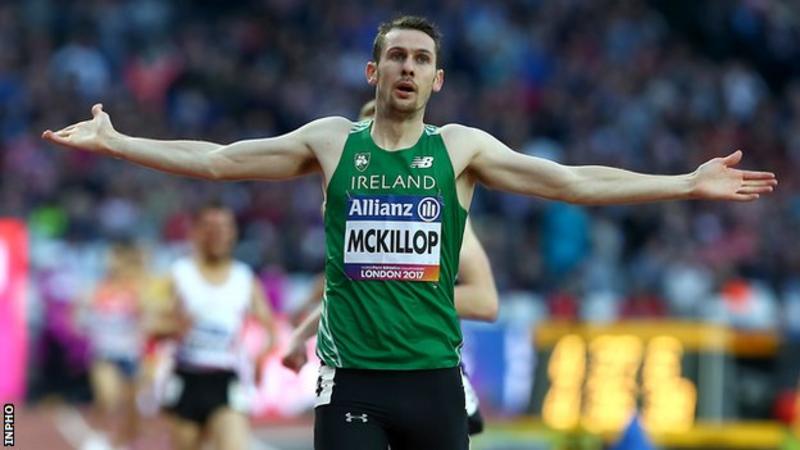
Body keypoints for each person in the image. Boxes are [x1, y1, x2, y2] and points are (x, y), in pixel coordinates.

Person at [43, 15, 777, 450]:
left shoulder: (460, 150)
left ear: (437, 81)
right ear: (373, 71)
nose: (408, 66)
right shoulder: (332, 143)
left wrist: (684, 183)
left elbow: (572, 182)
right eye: (397, 55)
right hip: (351, 381)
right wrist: (119, 142)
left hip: (433, 382)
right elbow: (218, 161)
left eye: (422, 59)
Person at [283, 98, 496, 436]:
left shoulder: (445, 210)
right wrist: (303, 332)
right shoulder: (347, 205)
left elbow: (486, 302)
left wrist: (407, 298)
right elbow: (353, 293)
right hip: (357, 369)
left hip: (426, 365)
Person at [149, 203, 277, 450]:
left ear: (233, 233)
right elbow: (149, 324)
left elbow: (270, 329)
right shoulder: (178, 275)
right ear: (196, 232)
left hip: (226, 378)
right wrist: (172, 327)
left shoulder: (244, 278)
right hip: (186, 378)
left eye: (224, 227)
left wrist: (261, 356)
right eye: (210, 227)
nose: (217, 233)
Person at [76, 240, 147, 450]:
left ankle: (124, 442)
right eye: (110, 260)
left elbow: (148, 318)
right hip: (105, 353)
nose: (113, 265)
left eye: (117, 260)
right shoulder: (97, 289)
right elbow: (78, 315)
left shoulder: (136, 289)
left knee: (131, 408)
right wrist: (84, 318)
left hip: (131, 354)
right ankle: (98, 436)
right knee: (107, 397)